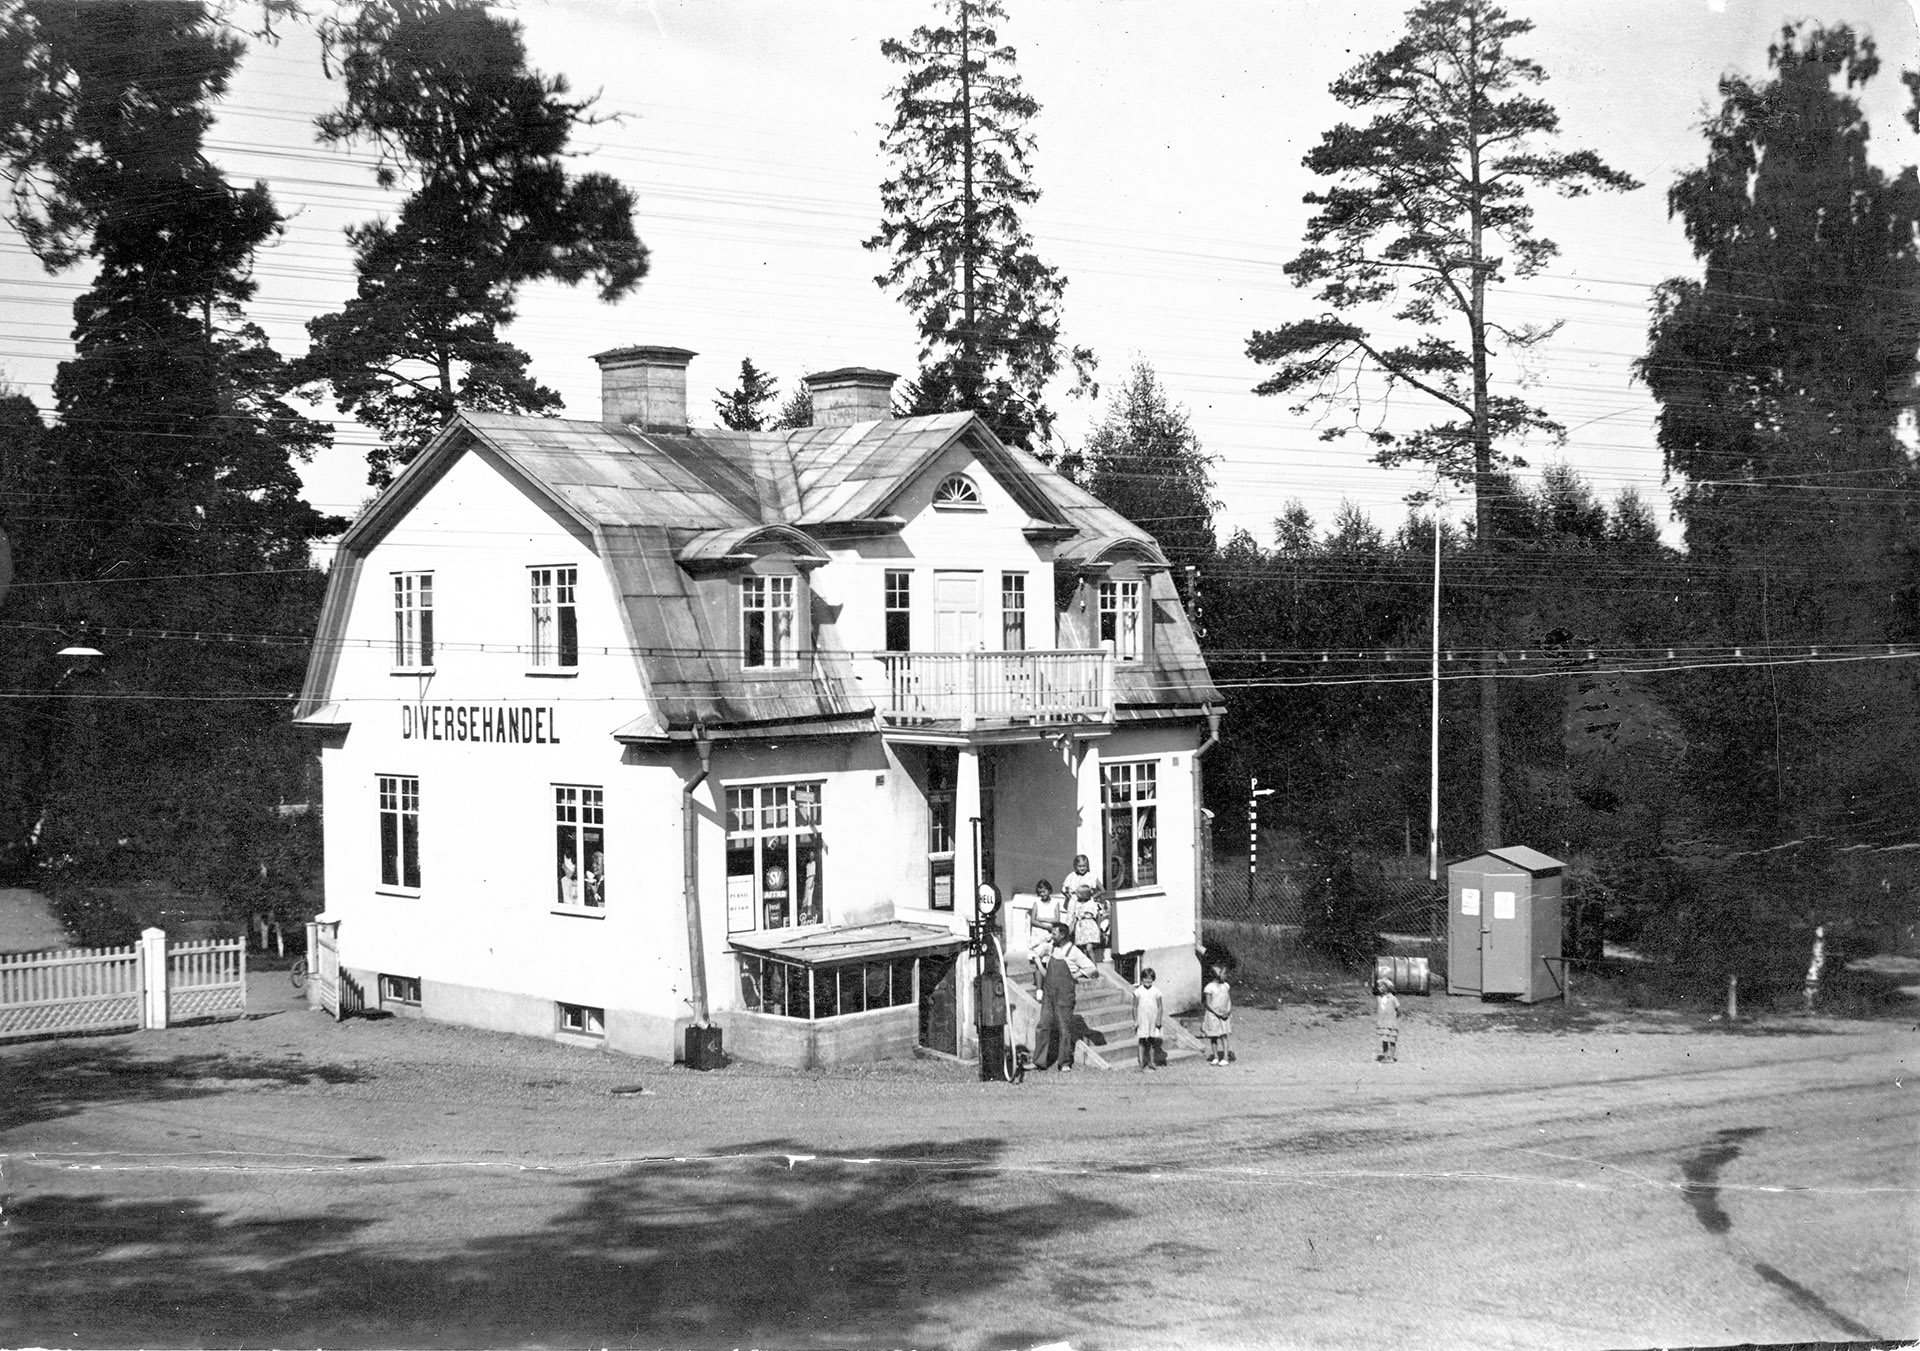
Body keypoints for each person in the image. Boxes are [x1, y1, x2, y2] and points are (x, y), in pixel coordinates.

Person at [1032, 922, 1096, 1072]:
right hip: (1049, 994)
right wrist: (1040, 966)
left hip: (1065, 995)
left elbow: (1092, 968)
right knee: (1043, 1025)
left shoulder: (1074, 951)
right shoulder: (1052, 948)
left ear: (1062, 935)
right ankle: (1038, 1061)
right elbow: (1037, 958)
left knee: (1064, 1028)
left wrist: (1075, 975)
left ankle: (1065, 1062)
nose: (1051, 936)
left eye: (1054, 933)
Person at [1061, 854, 1107, 964]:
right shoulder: (1071, 876)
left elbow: (1102, 890)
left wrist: (1090, 897)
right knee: (1071, 929)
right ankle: (1073, 958)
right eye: (1080, 866)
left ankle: (1087, 962)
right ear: (1075, 866)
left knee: (1084, 932)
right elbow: (1064, 889)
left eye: (1084, 866)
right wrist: (1070, 897)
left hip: (1085, 904)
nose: (1082, 868)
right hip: (1074, 905)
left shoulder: (1091, 876)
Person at [1133, 966, 1165, 1072]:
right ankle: (1141, 1062)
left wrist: (1159, 1019)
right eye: (1145, 978)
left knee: (1152, 1040)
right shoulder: (1138, 991)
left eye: (1150, 978)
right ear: (1141, 979)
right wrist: (1135, 1020)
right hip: (1142, 1018)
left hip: (1153, 1018)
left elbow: (1160, 1006)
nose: (1148, 980)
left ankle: (1152, 1061)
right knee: (1142, 1040)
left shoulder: (1157, 991)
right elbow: (1134, 1007)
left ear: (1153, 979)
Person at [1202, 963, 1234, 1066]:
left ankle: (1225, 1057)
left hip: (1224, 1014)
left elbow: (1228, 1000)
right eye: (1224, 974)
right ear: (1217, 974)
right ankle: (1215, 1056)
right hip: (1213, 1015)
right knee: (1214, 1036)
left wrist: (1228, 1010)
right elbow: (1208, 1003)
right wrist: (1217, 1013)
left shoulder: (1226, 986)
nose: (1226, 976)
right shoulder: (1209, 987)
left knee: (1224, 1036)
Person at [1376, 979, 1401, 1063]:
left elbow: (1398, 1009)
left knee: (1392, 1040)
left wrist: (1395, 1018)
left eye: (1381, 986)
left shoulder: (1393, 998)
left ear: (1386, 988)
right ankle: (1386, 1056)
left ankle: (1391, 1057)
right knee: (1384, 1039)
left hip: (1391, 1022)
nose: (1379, 988)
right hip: (1383, 1022)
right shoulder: (1380, 998)